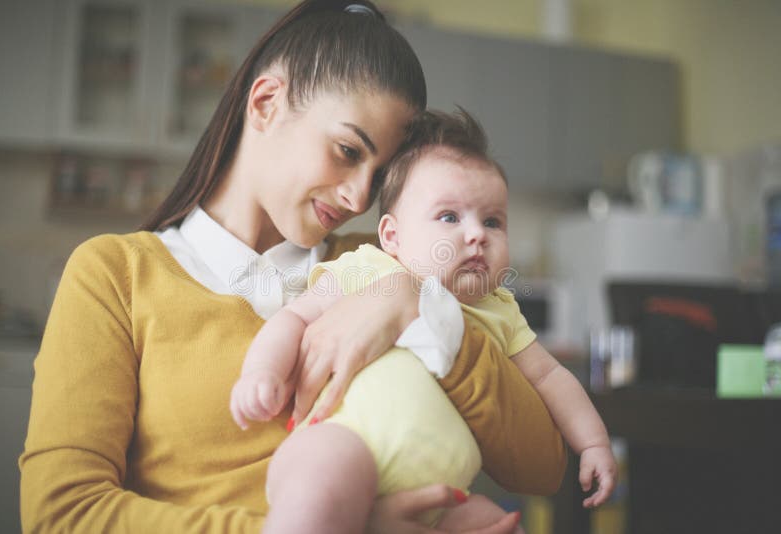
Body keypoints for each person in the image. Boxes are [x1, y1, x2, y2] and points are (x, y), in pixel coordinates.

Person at [19, 2, 565, 532]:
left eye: (377, 178)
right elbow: (62, 514)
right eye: (349, 150)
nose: (357, 199)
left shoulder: (384, 263)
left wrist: (414, 303)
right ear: (266, 102)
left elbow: (541, 466)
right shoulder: (116, 275)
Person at [231, 109, 617, 533]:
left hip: (440, 498)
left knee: (502, 525)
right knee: (321, 491)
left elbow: (550, 378)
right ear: (392, 236)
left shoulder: (499, 308)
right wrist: (261, 371)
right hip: (342, 446)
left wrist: (594, 442)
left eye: (493, 221)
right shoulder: (369, 269)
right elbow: (294, 319)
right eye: (450, 217)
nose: (477, 235)